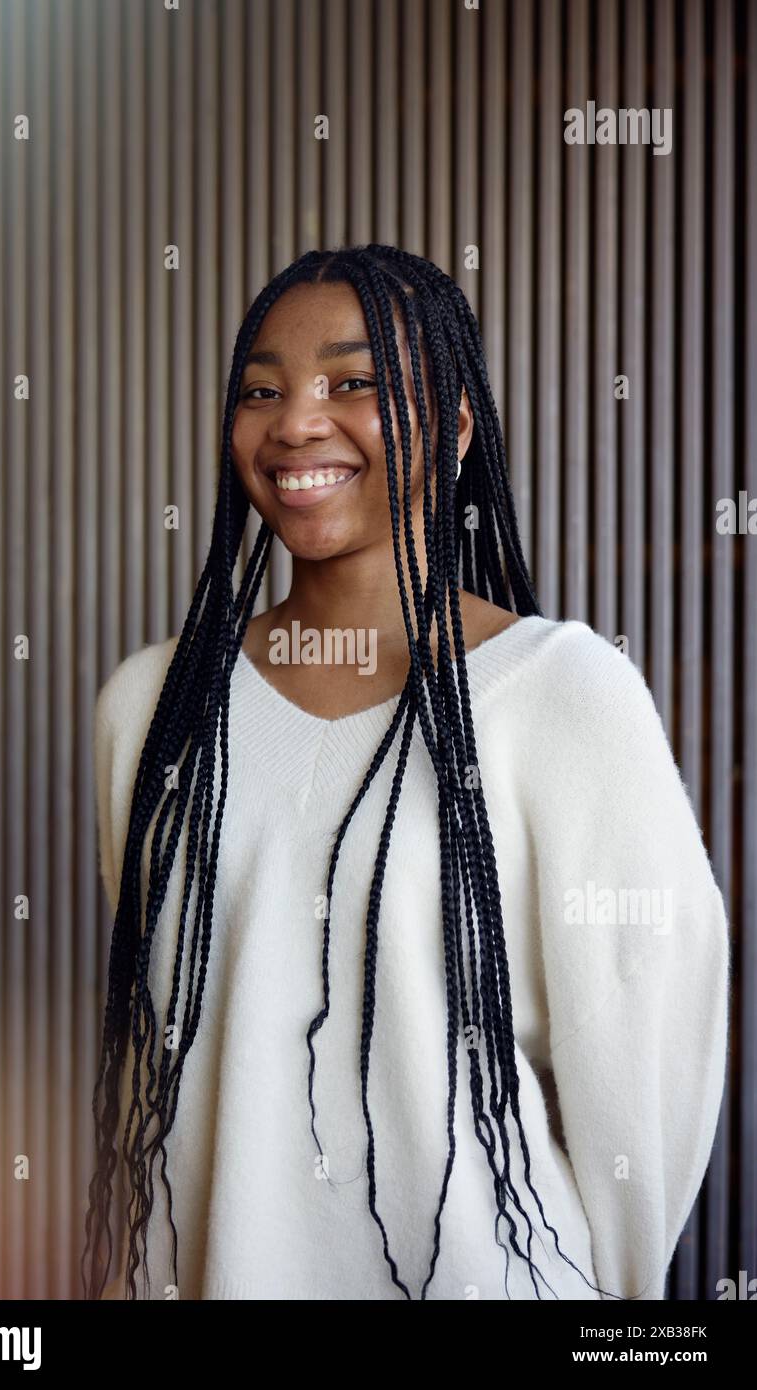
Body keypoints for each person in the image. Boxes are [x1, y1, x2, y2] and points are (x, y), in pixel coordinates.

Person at [81, 245, 729, 1301]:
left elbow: (642, 1073)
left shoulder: (564, 694)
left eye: (354, 383)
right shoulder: (148, 706)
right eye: (261, 390)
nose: (296, 422)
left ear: (458, 424)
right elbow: (160, 1058)